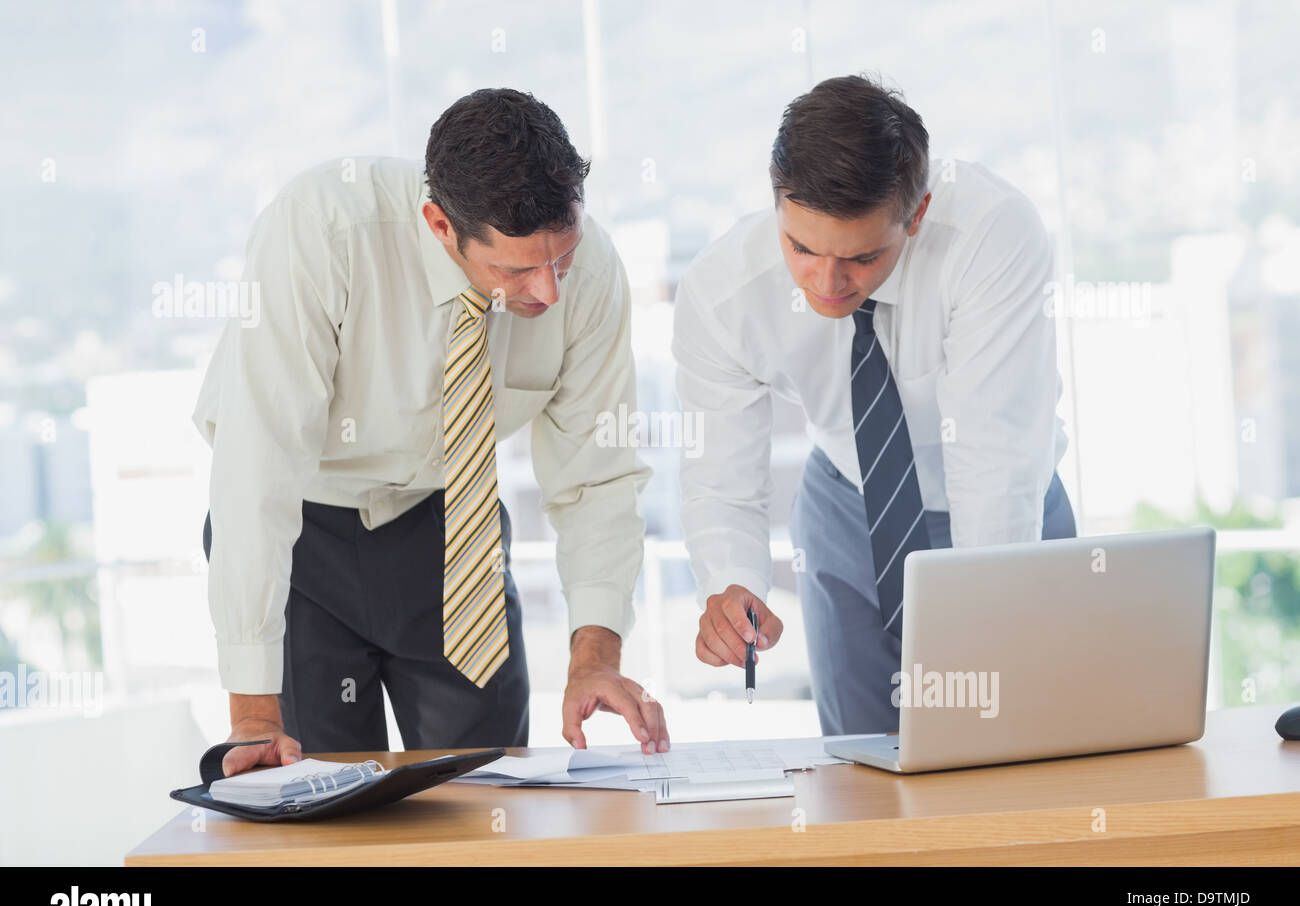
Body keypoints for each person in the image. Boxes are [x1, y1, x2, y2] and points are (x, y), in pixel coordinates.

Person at [193, 88, 668, 775]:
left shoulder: (589, 274)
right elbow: (256, 473)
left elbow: (596, 477)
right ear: (441, 226)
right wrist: (253, 718)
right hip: (304, 541)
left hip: (452, 528)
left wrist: (595, 658)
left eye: (560, 259)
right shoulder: (323, 231)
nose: (548, 293)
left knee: (487, 789)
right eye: (516, 270)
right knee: (320, 799)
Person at [673, 73, 1076, 735]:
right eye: (800, 247)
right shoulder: (723, 293)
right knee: (864, 766)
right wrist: (732, 582)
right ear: (776, 200)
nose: (826, 283)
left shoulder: (991, 232)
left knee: (1022, 744)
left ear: (913, 216)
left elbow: (993, 454)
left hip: (1009, 503)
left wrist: (988, 618)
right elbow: (721, 476)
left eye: (861, 257)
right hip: (847, 506)